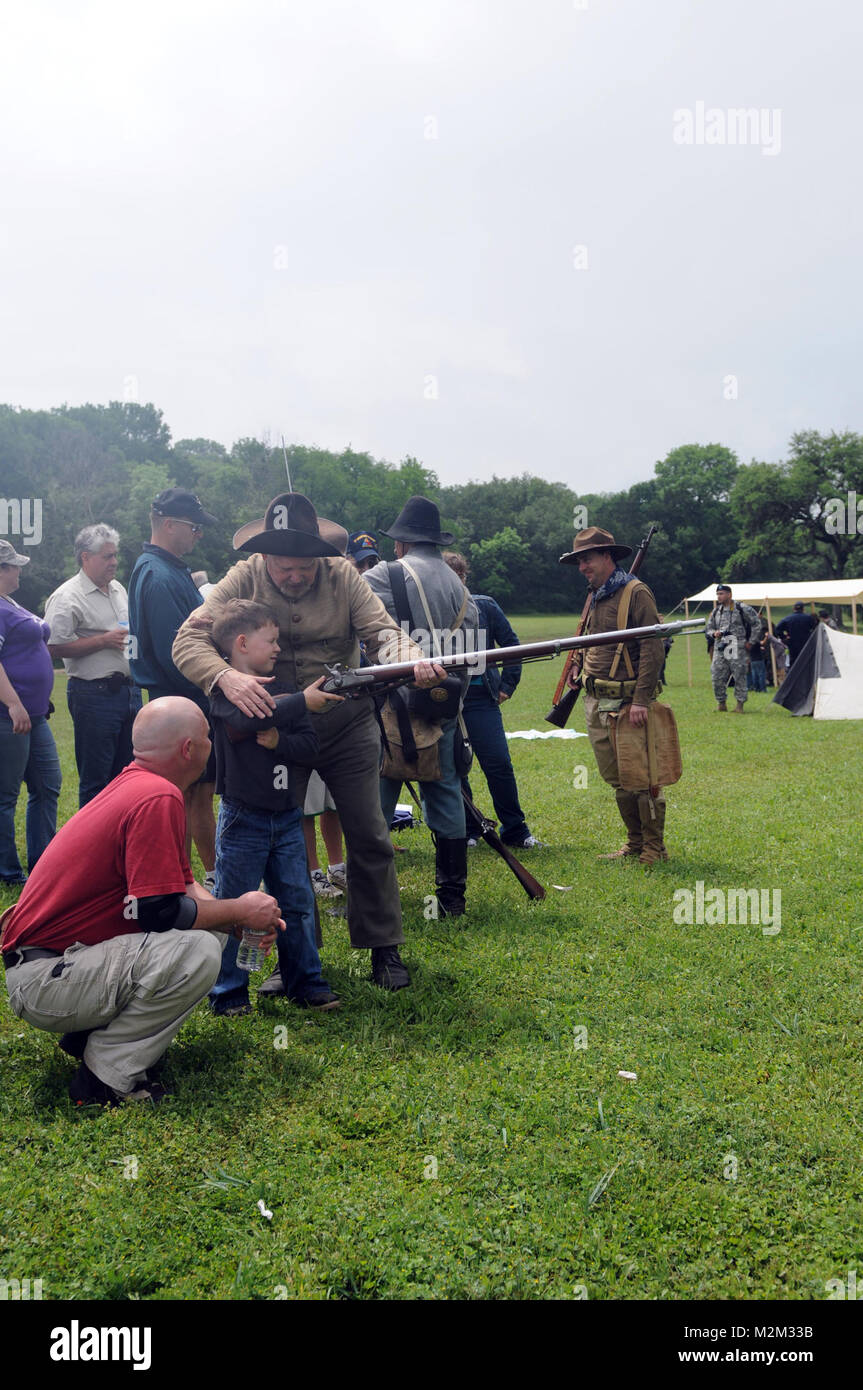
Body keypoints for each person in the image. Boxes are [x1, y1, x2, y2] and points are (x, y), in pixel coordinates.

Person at [171, 492, 440, 991]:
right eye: (283, 567)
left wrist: (413, 657)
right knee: (281, 846)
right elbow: (186, 639)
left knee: (369, 835)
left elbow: (383, 633)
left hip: (347, 725)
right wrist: (225, 679)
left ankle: (384, 950)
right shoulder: (242, 577)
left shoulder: (343, 575)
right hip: (274, 734)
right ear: (265, 556)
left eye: (304, 567)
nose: (294, 576)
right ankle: (294, 960)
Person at [0, 697, 284, 1106]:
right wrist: (240, 909)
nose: (212, 742)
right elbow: (161, 911)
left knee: (210, 935)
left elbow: (182, 888)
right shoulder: (157, 796)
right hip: (46, 980)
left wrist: (231, 919)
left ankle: (91, 1037)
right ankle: (104, 1077)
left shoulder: (141, 784)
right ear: (189, 749)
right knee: (198, 949)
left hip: (48, 968)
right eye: (207, 735)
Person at [207, 599, 340, 1017]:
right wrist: (300, 701)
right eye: (271, 640)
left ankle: (306, 982)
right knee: (236, 906)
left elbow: (309, 746)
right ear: (243, 643)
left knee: (297, 902)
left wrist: (281, 741)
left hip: (285, 816)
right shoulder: (223, 689)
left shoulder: (283, 685)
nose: (279, 647)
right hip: (242, 817)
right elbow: (245, 720)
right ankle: (229, 993)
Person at [366, 499, 479, 916]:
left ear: (401, 543)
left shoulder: (383, 575)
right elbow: (473, 655)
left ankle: (374, 896)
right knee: (445, 790)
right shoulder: (459, 585)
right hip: (445, 703)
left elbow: (360, 625)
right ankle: (452, 897)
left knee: (376, 800)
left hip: (390, 707)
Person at [559, 526, 667, 864]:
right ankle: (634, 844)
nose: (582, 568)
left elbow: (653, 647)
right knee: (619, 780)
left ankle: (654, 848)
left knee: (642, 777)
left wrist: (641, 700)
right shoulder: (596, 593)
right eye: (578, 562)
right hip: (595, 701)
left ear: (607, 556)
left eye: (587, 559)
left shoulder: (636, 593)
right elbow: (588, 637)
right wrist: (577, 665)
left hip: (626, 702)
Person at [127, 489, 219, 886]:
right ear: (168, 525)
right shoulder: (159, 575)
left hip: (187, 701)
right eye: (193, 527)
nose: (198, 535)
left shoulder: (167, 568)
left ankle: (213, 877)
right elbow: (176, 656)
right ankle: (179, 883)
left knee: (198, 795)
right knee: (178, 798)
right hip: (180, 702)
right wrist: (222, 677)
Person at [442, 551, 542, 850]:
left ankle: (516, 829)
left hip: (481, 697)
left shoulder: (485, 605)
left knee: (498, 763)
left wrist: (507, 686)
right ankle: (470, 827)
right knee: (454, 768)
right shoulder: (429, 610)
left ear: (464, 578)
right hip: (445, 701)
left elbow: (511, 645)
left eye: (460, 579)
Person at [44, 523, 141, 807]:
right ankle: (93, 849)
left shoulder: (118, 589)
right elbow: (50, 647)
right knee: (96, 783)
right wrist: (102, 641)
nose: (114, 562)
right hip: (93, 695)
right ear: (86, 557)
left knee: (128, 776)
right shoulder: (66, 596)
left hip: (129, 692)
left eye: (115, 555)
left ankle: (120, 843)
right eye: (107, 556)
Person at [0, 540, 62, 885]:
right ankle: (8, 873)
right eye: (13, 565)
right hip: (9, 716)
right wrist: (12, 702)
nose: (19, 570)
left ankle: (43, 864)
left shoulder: (9, 603)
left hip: (34, 714)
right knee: (6, 795)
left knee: (48, 784)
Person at [705, 584, 761, 713]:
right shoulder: (716, 611)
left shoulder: (742, 608)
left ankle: (739, 705)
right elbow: (709, 629)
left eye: (722, 594)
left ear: (729, 594)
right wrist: (714, 633)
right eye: (718, 594)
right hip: (721, 647)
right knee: (716, 675)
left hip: (737, 647)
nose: (719, 596)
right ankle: (721, 703)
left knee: (739, 675)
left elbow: (756, 624)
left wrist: (751, 642)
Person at [775, 601, 819, 666]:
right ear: (803, 609)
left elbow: (777, 629)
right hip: (806, 643)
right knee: (807, 662)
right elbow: (816, 629)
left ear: (794, 609)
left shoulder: (787, 619)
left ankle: (794, 675)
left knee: (794, 662)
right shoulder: (809, 618)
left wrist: (784, 638)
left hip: (793, 643)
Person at [746, 627, 767, 693]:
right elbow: (762, 643)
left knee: (754, 675)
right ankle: (763, 689)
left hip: (752, 660)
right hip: (759, 659)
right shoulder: (755, 640)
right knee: (761, 674)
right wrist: (766, 636)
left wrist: (760, 648)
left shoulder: (748, 642)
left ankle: (756, 688)